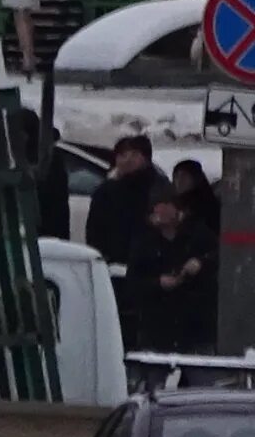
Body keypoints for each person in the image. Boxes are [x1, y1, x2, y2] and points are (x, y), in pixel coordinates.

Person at [124, 191, 216, 352]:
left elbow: (220, 255)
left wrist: (201, 262)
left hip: (193, 324)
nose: (160, 211)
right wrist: (158, 283)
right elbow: (134, 282)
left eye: (165, 205)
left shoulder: (196, 233)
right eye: (157, 206)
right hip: (157, 326)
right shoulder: (145, 242)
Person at [84, 134, 162, 268]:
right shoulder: (106, 190)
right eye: (122, 155)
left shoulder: (158, 188)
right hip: (113, 263)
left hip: (149, 265)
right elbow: (94, 229)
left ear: (146, 158)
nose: (128, 160)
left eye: (134, 154)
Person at [175, 156, 221, 237]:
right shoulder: (175, 202)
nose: (179, 181)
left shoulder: (205, 204)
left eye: (184, 176)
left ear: (195, 179)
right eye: (176, 176)